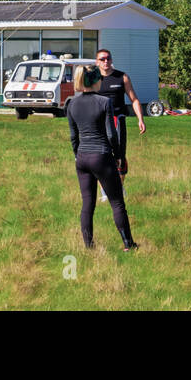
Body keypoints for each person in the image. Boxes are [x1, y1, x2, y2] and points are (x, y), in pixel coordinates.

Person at [68, 65, 137, 251]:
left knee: (87, 204)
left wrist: (77, 156)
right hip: (101, 155)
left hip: (82, 157)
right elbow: (111, 134)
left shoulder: (72, 104)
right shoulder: (104, 102)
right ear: (97, 81)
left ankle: (89, 247)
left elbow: (74, 136)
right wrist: (118, 155)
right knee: (116, 202)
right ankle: (128, 244)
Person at [94, 49, 145, 181]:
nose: (106, 61)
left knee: (120, 155)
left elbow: (134, 100)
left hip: (118, 120)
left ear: (111, 60)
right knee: (100, 156)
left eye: (108, 58)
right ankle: (104, 191)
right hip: (99, 122)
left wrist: (140, 119)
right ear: (97, 62)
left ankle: (119, 188)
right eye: (102, 59)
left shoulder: (122, 77)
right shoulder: (93, 78)